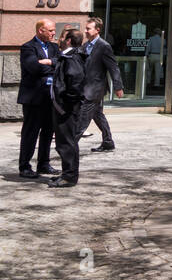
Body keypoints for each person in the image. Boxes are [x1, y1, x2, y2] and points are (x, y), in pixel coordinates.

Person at [17, 18, 59, 179]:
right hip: (34, 98)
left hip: (50, 97)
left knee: (48, 132)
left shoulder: (54, 47)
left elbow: (61, 63)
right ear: (41, 30)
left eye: (54, 30)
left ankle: (44, 163)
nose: (54, 33)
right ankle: (25, 166)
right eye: (50, 30)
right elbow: (33, 67)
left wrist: (49, 62)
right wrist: (52, 67)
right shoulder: (28, 47)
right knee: (30, 133)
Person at [48, 28, 90, 188]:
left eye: (63, 37)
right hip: (64, 107)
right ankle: (67, 173)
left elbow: (75, 83)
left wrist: (66, 103)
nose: (60, 39)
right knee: (64, 142)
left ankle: (70, 176)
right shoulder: (69, 56)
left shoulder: (72, 58)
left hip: (67, 108)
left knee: (67, 142)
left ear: (69, 41)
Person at [81, 17, 123, 152]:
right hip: (86, 87)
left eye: (88, 28)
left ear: (97, 30)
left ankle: (69, 145)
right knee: (98, 115)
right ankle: (108, 141)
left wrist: (118, 86)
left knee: (83, 117)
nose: (85, 31)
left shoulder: (104, 46)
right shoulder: (85, 45)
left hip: (95, 89)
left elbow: (113, 67)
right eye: (86, 28)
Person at [145, 29, 164, 93]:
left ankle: (148, 82)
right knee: (157, 71)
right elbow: (164, 49)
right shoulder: (163, 39)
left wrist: (146, 55)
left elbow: (148, 47)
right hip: (159, 56)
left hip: (152, 55)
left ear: (154, 32)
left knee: (149, 70)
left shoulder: (151, 38)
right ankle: (156, 84)